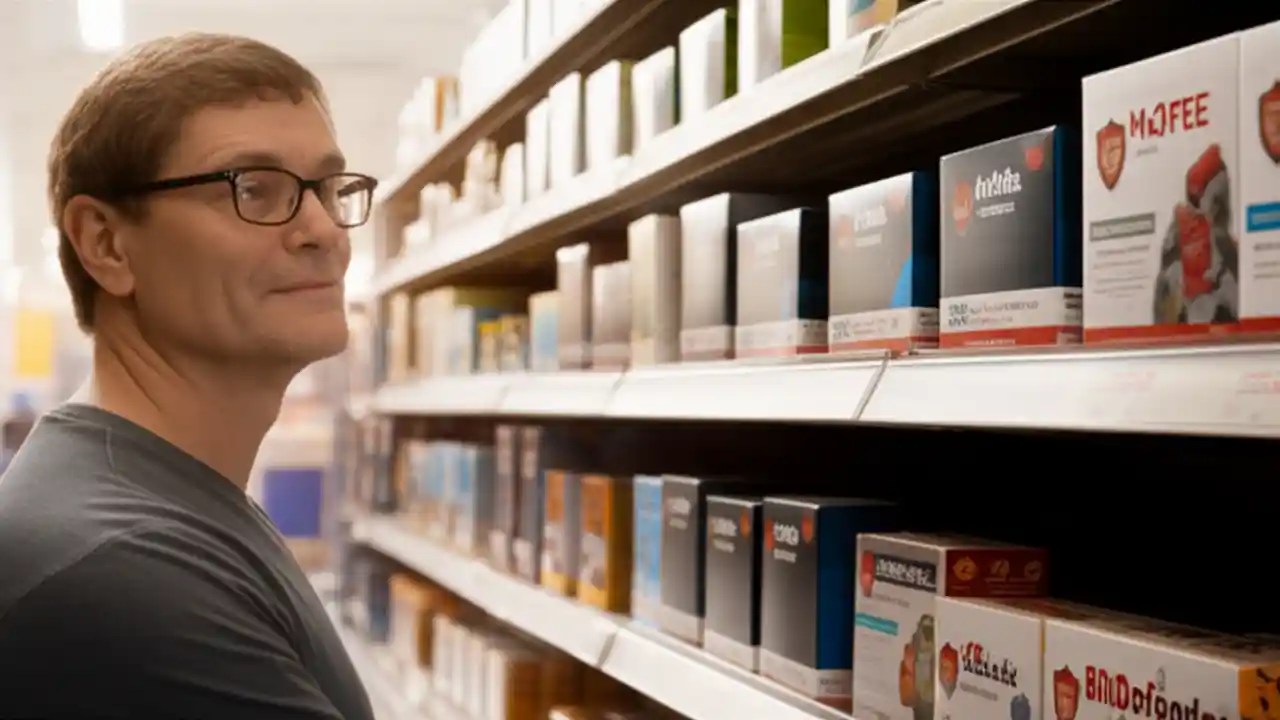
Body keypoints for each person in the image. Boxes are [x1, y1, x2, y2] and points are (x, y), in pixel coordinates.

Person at [0, 32, 378, 720]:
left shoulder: (174, 499)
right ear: (107, 245)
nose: (323, 229)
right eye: (254, 189)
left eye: (327, 187)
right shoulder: (120, 570)